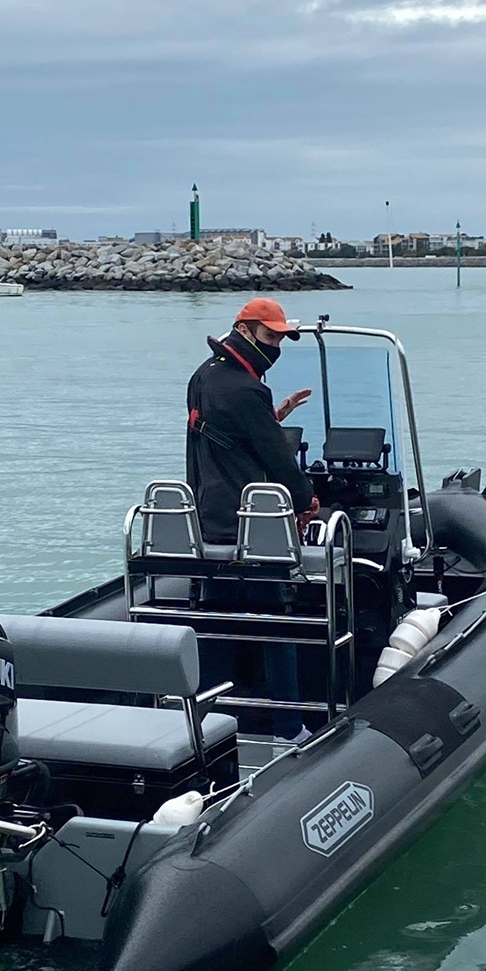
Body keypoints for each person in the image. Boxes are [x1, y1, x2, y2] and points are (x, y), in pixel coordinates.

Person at [186, 298, 317, 736]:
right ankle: (289, 726)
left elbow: (227, 438)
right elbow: (279, 461)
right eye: (270, 336)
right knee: (277, 622)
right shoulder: (248, 389)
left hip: (210, 519)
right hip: (251, 527)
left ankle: (203, 721)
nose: (275, 346)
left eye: (280, 338)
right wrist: (307, 499)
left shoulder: (203, 376)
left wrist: (274, 417)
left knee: (215, 624)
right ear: (244, 330)